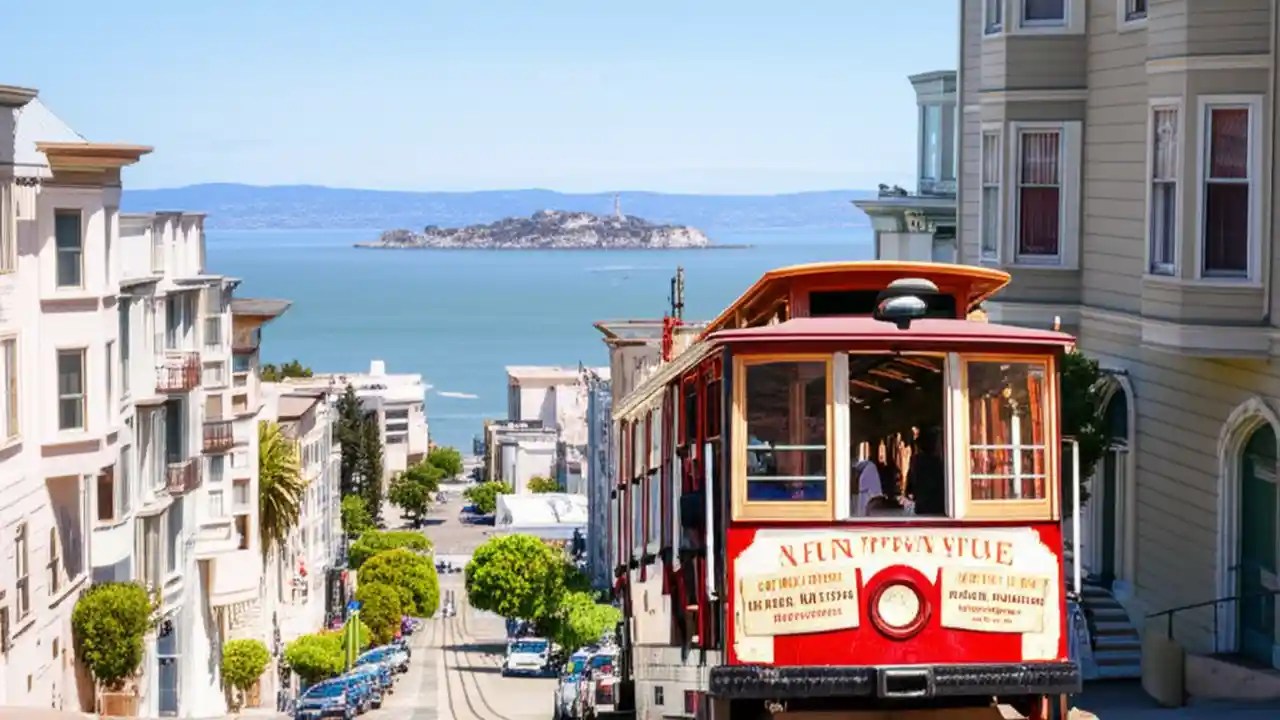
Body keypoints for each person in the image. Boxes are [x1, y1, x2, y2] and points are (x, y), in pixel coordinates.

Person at [907, 427, 946, 515]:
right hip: (934, 504)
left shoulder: (917, 461)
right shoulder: (937, 462)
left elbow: (911, 484)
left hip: (924, 504)